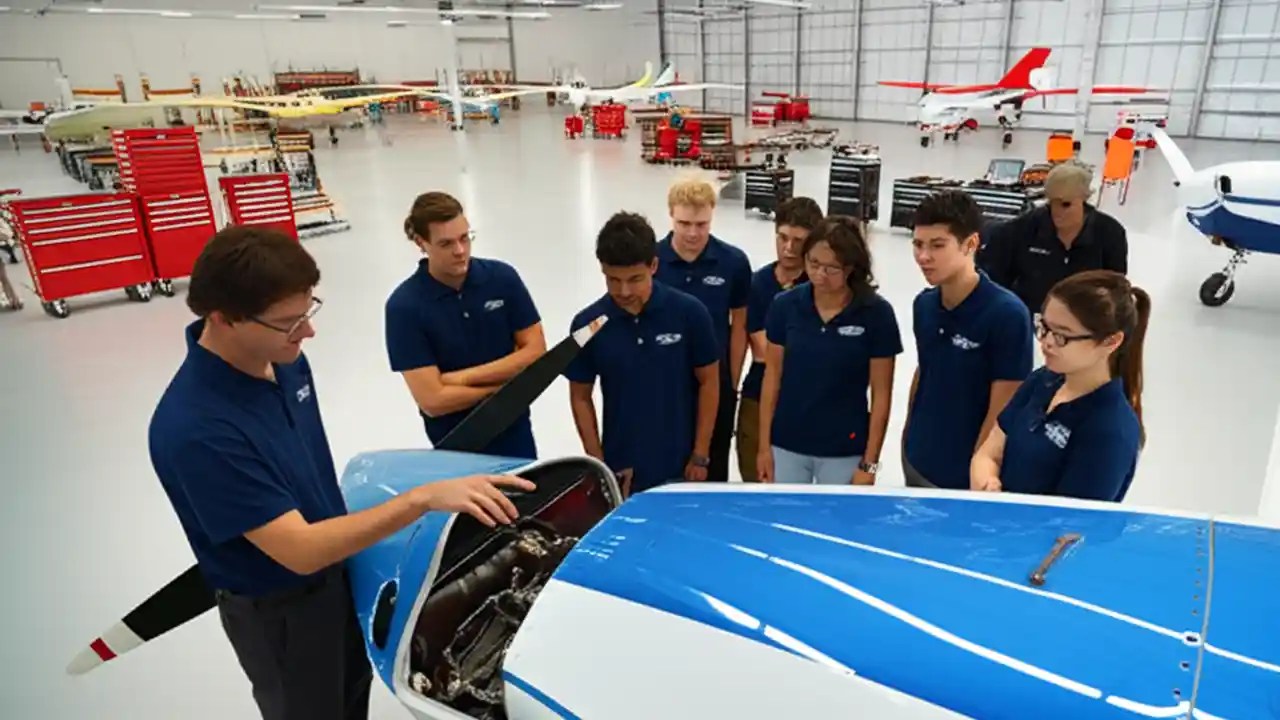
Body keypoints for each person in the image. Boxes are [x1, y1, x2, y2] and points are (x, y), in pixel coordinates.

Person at [148, 225, 535, 720]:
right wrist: (421, 499)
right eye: (289, 323)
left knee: (352, 696)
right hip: (282, 613)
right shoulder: (197, 430)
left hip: (338, 576)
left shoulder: (283, 361)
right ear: (223, 319)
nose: (307, 333)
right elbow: (301, 551)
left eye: (308, 311)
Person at [564, 211, 720, 496]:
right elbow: (580, 396)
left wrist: (700, 454)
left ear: (654, 265)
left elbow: (709, 381)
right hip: (622, 469)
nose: (623, 291)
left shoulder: (690, 313)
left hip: (681, 466)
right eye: (613, 279)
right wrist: (598, 464)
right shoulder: (588, 325)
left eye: (634, 279)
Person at [385, 192, 546, 458]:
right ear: (421, 243)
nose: (460, 251)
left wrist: (456, 379)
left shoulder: (502, 279)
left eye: (465, 238)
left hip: (516, 437)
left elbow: (536, 352)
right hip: (456, 447)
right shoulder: (404, 308)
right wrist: (507, 389)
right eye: (446, 243)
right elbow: (433, 402)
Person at [970, 269, 1150, 501]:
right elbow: (989, 453)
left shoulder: (1110, 432)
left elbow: (1068, 528)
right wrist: (987, 485)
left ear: (1110, 342)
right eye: (1044, 327)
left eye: (1062, 336)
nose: (1046, 343)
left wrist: (1003, 513)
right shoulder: (1043, 380)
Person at [902, 190, 1034, 490]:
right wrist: (909, 435)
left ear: (971, 244)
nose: (923, 257)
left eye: (937, 245)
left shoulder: (1006, 315)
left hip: (963, 476)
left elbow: (1004, 404)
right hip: (917, 459)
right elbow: (925, 370)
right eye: (918, 245)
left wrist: (979, 469)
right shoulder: (924, 305)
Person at [757, 216, 902, 485]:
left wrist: (869, 464)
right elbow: (772, 377)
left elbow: (881, 395)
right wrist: (764, 447)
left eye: (832, 268)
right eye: (813, 264)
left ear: (850, 268)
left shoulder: (876, 314)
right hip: (787, 443)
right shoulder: (784, 306)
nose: (820, 275)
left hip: (844, 450)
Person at [654, 176, 752, 483]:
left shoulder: (733, 263)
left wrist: (731, 382)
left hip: (716, 386)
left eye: (702, 224)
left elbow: (739, 326)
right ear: (671, 214)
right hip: (665, 386)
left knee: (712, 468)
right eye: (684, 223)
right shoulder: (651, 262)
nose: (693, 233)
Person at [736, 196, 821, 483]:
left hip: (806, 403)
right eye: (783, 237)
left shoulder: (822, 287)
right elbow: (762, 351)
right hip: (757, 395)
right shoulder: (759, 283)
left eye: (799, 241)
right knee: (754, 482)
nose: (789, 248)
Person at [978, 161, 1128, 313]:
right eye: (1051, 204)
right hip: (1030, 320)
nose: (1057, 212)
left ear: (1084, 200)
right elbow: (992, 282)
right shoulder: (1020, 229)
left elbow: (1116, 292)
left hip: (1085, 323)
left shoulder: (1110, 233)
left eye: (1066, 204)